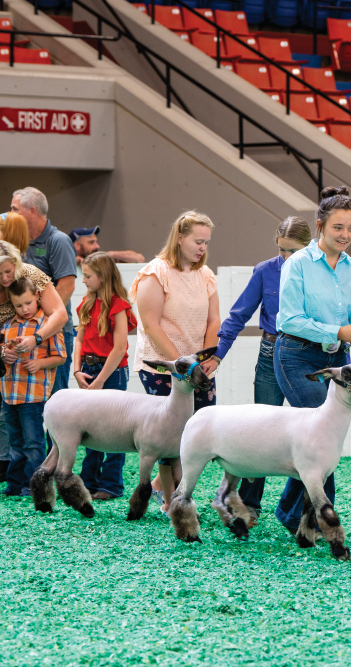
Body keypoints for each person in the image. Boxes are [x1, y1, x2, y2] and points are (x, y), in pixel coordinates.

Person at [272, 186, 351, 533]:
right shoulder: (297, 265)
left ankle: (291, 514)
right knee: (322, 443)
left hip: (340, 362)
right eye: (338, 227)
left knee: (318, 444)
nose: (346, 235)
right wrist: (337, 331)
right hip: (295, 357)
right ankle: (324, 522)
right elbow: (288, 320)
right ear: (320, 225)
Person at [213, 216, 312, 519]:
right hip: (271, 352)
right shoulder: (265, 271)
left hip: (308, 356)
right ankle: (248, 504)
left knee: (308, 433)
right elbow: (238, 315)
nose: (286, 257)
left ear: (309, 247)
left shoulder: (321, 273)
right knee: (261, 432)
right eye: (281, 250)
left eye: (293, 251)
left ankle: (300, 509)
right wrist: (217, 355)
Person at [0, 241, 68, 494]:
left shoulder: (33, 276)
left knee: (26, 429)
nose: (6, 278)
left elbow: (59, 314)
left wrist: (35, 339)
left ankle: (28, 481)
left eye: (9, 271)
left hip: (27, 363)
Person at [129, 211, 219, 513]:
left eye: (206, 243)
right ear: (179, 237)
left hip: (197, 368)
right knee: (169, 435)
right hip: (161, 366)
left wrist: (208, 358)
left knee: (199, 431)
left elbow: (214, 319)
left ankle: (162, 489)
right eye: (197, 241)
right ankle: (172, 501)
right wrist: (182, 364)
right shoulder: (155, 273)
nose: (202, 248)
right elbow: (151, 324)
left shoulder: (205, 275)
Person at [72, 251, 137, 501]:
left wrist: (99, 381)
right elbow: (79, 339)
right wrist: (77, 370)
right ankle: (88, 481)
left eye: (88, 276)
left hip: (111, 373)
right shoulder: (86, 303)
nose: (84, 280)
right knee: (90, 428)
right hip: (88, 371)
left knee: (114, 431)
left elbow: (119, 348)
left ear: (103, 277)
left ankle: (111, 485)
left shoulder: (118, 306)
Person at [0, 276, 66, 496]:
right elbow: (3, 351)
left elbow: (60, 357)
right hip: (9, 393)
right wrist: (5, 355)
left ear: (37, 296)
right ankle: (14, 483)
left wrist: (39, 363)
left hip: (33, 395)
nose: (25, 309)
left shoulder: (47, 325)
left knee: (33, 443)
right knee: (15, 443)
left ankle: (35, 485)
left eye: (28, 303)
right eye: (18, 305)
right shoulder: (8, 325)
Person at [10, 187, 77, 395]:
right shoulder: (18, 242)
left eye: (15, 209)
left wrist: (41, 321)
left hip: (54, 331)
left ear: (32, 211)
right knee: (25, 396)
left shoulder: (58, 241)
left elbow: (66, 286)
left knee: (55, 396)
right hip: (24, 330)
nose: (11, 214)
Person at [0, 211, 30, 480]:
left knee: (16, 412)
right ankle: (4, 462)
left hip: (20, 353)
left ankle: (14, 464)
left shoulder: (28, 275)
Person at [69, 226, 145, 264]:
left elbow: (139, 259)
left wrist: (111, 254)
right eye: (91, 242)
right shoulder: (65, 261)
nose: (97, 246)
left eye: (96, 242)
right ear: (77, 246)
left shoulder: (99, 260)